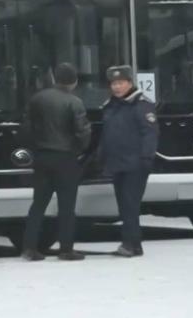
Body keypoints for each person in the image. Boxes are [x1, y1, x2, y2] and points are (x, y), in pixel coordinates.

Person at [20, 62, 92, 261]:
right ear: (74, 82)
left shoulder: (37, 99)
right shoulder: (74, 102)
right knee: (66, 205)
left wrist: (36, 147)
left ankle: (29, 247)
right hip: (66, 158)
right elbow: (83, 131)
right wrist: (80, 149)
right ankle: (66, 248)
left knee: (38, 204)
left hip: (42, 157)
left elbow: (26, 128)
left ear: (54, 78)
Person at [99, 65, 158, 258]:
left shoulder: (141, 105)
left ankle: (129, 243)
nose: (116, 87)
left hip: (135, 164)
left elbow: (150, 134)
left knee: (131, 204)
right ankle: (133, 244)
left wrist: (146, 159)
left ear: (130, 83)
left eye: (120, 83)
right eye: (114, 84)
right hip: (117, 163)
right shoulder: (111, 106)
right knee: (124, 205)